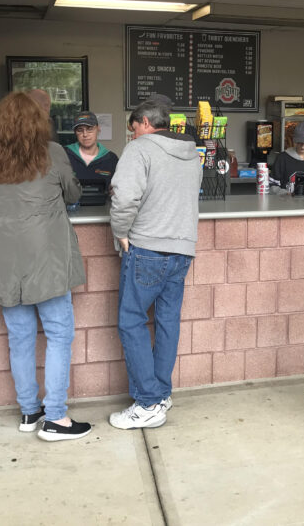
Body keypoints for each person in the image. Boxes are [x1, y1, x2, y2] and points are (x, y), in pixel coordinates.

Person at [0, 92, 91, 441]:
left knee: (20, 338)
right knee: (58, 334)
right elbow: (73, 194)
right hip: (47, 258)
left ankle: (29, 410)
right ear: (40, 121)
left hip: (4, 259)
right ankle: (55, 418)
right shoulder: (52, 153)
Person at [108, 99, 203, 429]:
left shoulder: (140, 149)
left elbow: (123, 195)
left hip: (147, 247)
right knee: (167, 321)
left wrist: (120, 231)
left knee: (130, 321)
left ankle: (147, 403)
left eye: (133, 127)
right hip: (182, 251)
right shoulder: (192, 154)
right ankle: (160, 394)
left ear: (145, 123)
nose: (132, 134)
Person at [63, 111, 118, 193]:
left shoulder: (111, 159)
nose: (85, 134)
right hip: (71, 205)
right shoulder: (64, 154)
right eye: (80, 130)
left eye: (90, 129)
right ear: (75, 132)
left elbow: (117, 188)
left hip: (102, 205)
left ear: (98, 129)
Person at [270, 120, 304, 193]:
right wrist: (282, 192)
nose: (303, 147)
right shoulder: (283, 158)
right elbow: (272, 183)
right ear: (294, 140)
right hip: (286, 202)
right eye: (299, 143)